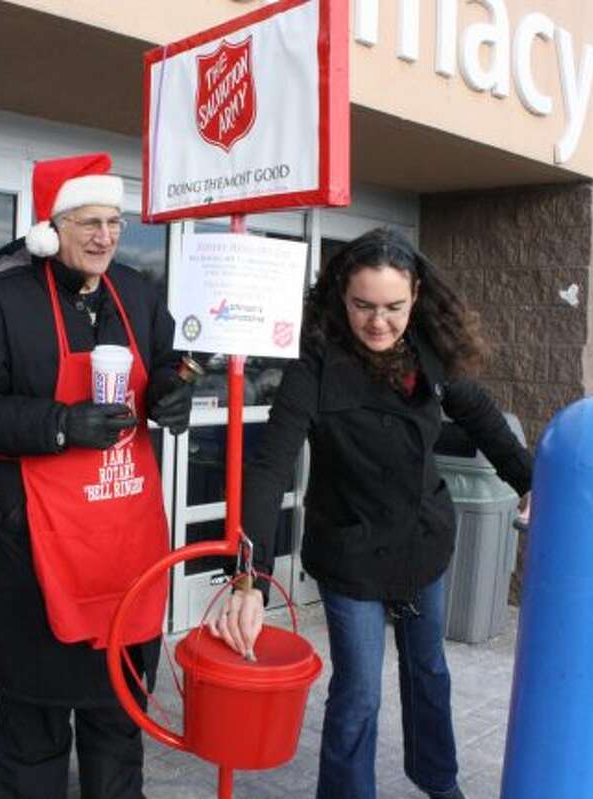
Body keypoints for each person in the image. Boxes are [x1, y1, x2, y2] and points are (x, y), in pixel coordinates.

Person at [211, 228, 532, 799]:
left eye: (393, 308)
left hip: (422, 542)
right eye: (363, 306)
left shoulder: (429, 355)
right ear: (341, 297)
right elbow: (268, 468)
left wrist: (533, 483)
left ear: (416, 298)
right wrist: (249, 576)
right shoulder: (314, 367)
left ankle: (439, 780)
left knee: (428, 671)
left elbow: (483, 417)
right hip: (351, 550)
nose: (378, 322)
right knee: (360, 690)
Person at [0, 152, 193, 799]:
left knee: (118, 715)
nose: (105, 236)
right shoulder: (2, 299)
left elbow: (167, 366)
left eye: (113, 221)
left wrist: (171, 395)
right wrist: (58, 424)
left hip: (123, 550)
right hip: (32, 552)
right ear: (52, 227)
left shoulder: (134, 291)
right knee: (33, 726)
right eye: (88, 223)